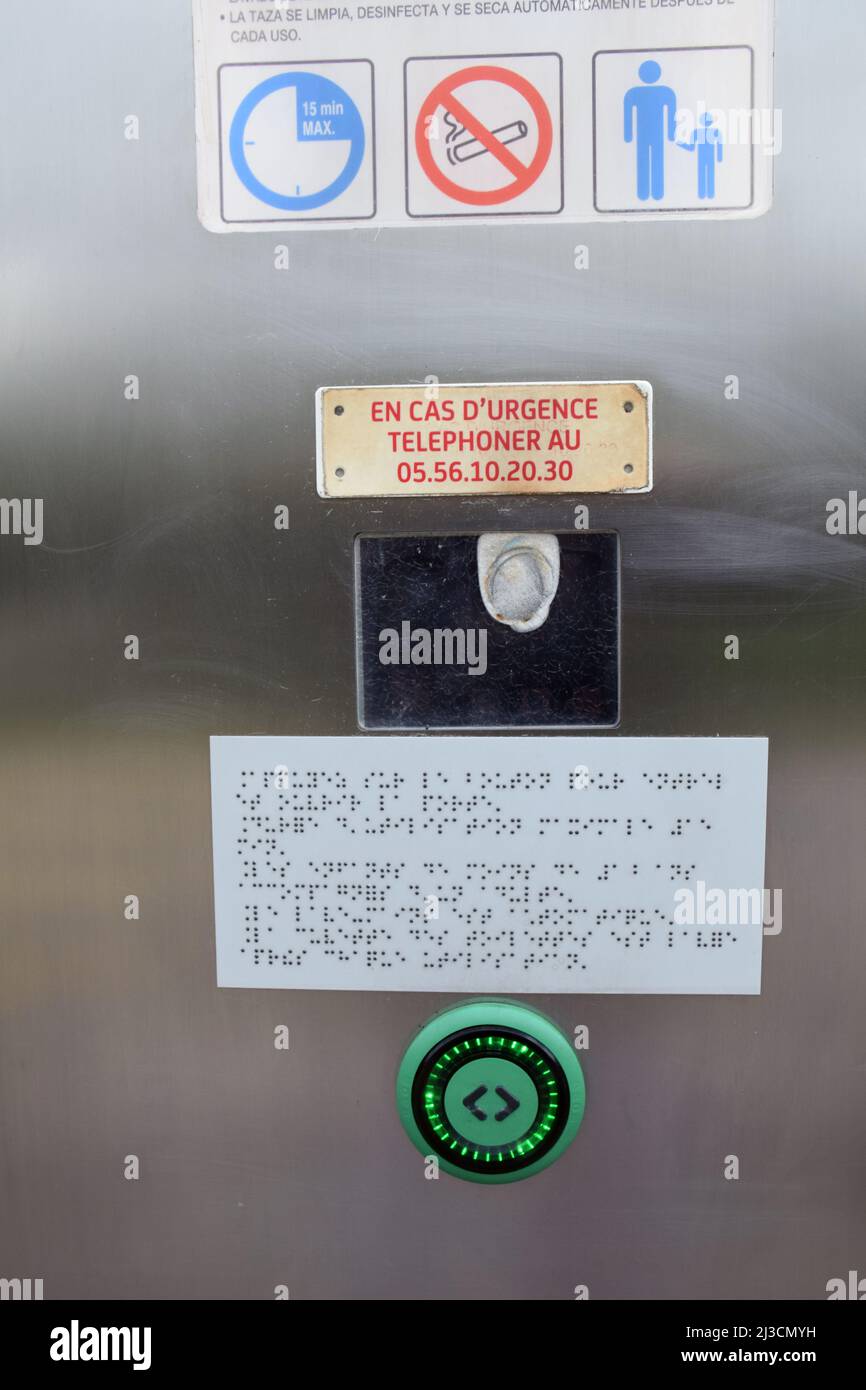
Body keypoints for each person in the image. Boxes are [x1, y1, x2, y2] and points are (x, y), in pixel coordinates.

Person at [623, 60, 677, 201]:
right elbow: (627, 114)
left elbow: (672, 113)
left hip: (651, 133)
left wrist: (672, 133)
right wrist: (628, 134)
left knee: (652, 159)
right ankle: (646, 192)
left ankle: (651, 192)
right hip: (648, 133)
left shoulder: (636, 92)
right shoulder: (635, 92)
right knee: (648, 159)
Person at [677, 112, 724, 199]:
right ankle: (708, 195)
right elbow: (719, 146)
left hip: (704, 158)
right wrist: (719, 158)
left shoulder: (698, 132)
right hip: (708, 158)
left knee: (704, 174)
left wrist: (681, 144)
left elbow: (691, 147)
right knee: (707, 174)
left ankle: (704, 195)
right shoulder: (714, 132)